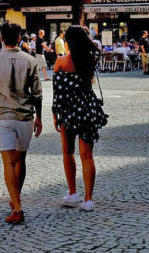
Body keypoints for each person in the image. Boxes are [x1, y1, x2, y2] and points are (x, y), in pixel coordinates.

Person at [0, 21, 43, 225]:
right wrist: (39, 117)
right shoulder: (31, 61)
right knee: (20, 160)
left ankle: (17, 207)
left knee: (8, 162)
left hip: (3, 117)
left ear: (1, 39)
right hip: (25, 117)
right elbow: (38, 93)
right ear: (20, 38)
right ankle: (15, 201)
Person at [52, 25, 107, 213]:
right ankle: (88, 199)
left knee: (68, 153)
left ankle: (73, 192)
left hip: (68, 112)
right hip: (87, 111)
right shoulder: (89, 60)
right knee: (87, 156)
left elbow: (57, 93)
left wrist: (55, 115)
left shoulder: (60, 62)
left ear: (68, 41)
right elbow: (90, 83)